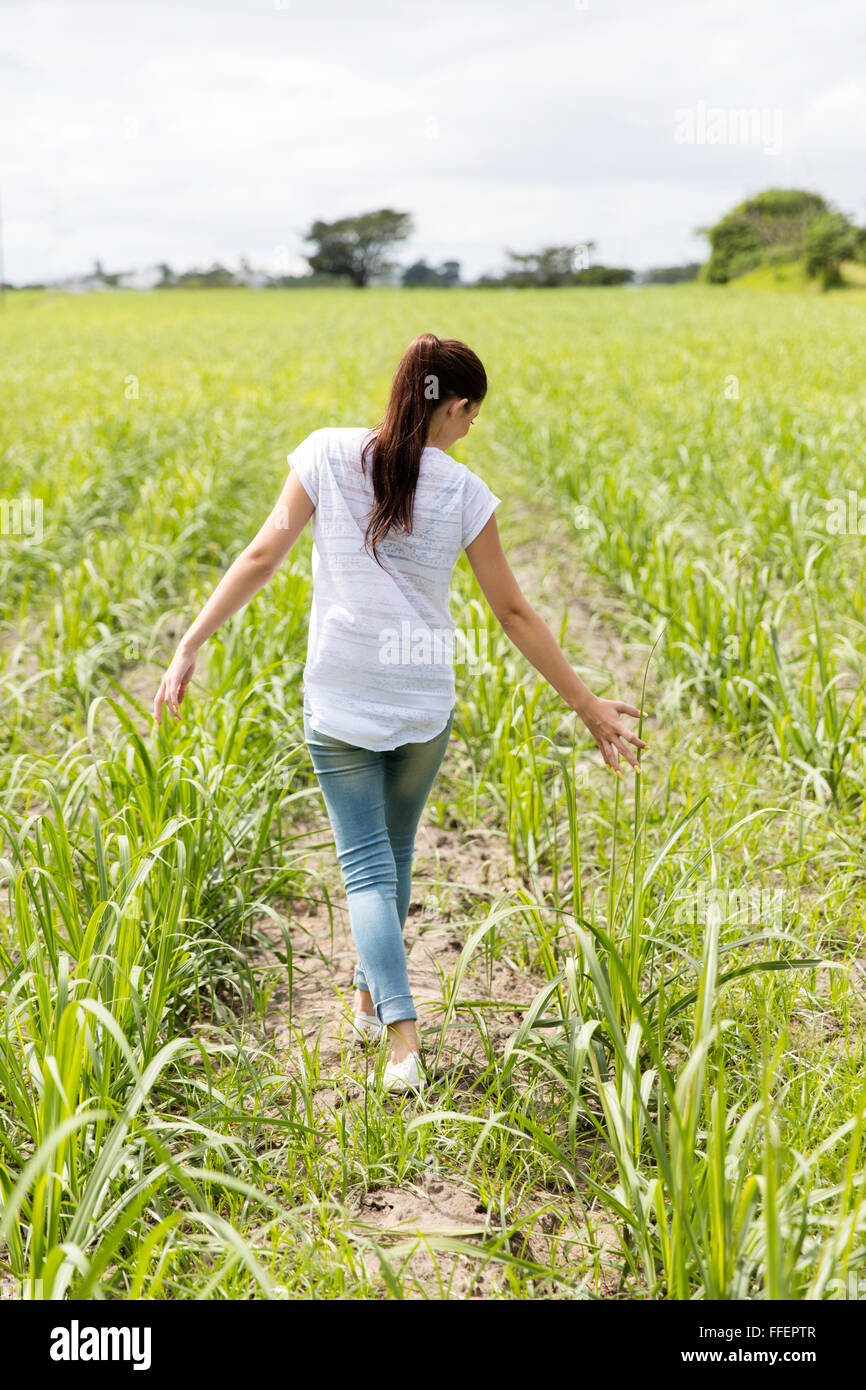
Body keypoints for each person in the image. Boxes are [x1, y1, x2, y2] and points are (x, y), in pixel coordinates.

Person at [153, 332, 647, 1095]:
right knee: (392, 856)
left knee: (366, 869)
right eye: (470, 415)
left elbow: (261, 555)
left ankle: (383, 1022)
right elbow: (513, 611)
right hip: (420, 699)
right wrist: (586, 706)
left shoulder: (324, 453)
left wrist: (190, 642)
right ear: (455, 405)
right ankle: (397, 1035)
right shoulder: (463, 492)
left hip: (342, 693)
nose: (469, 430)